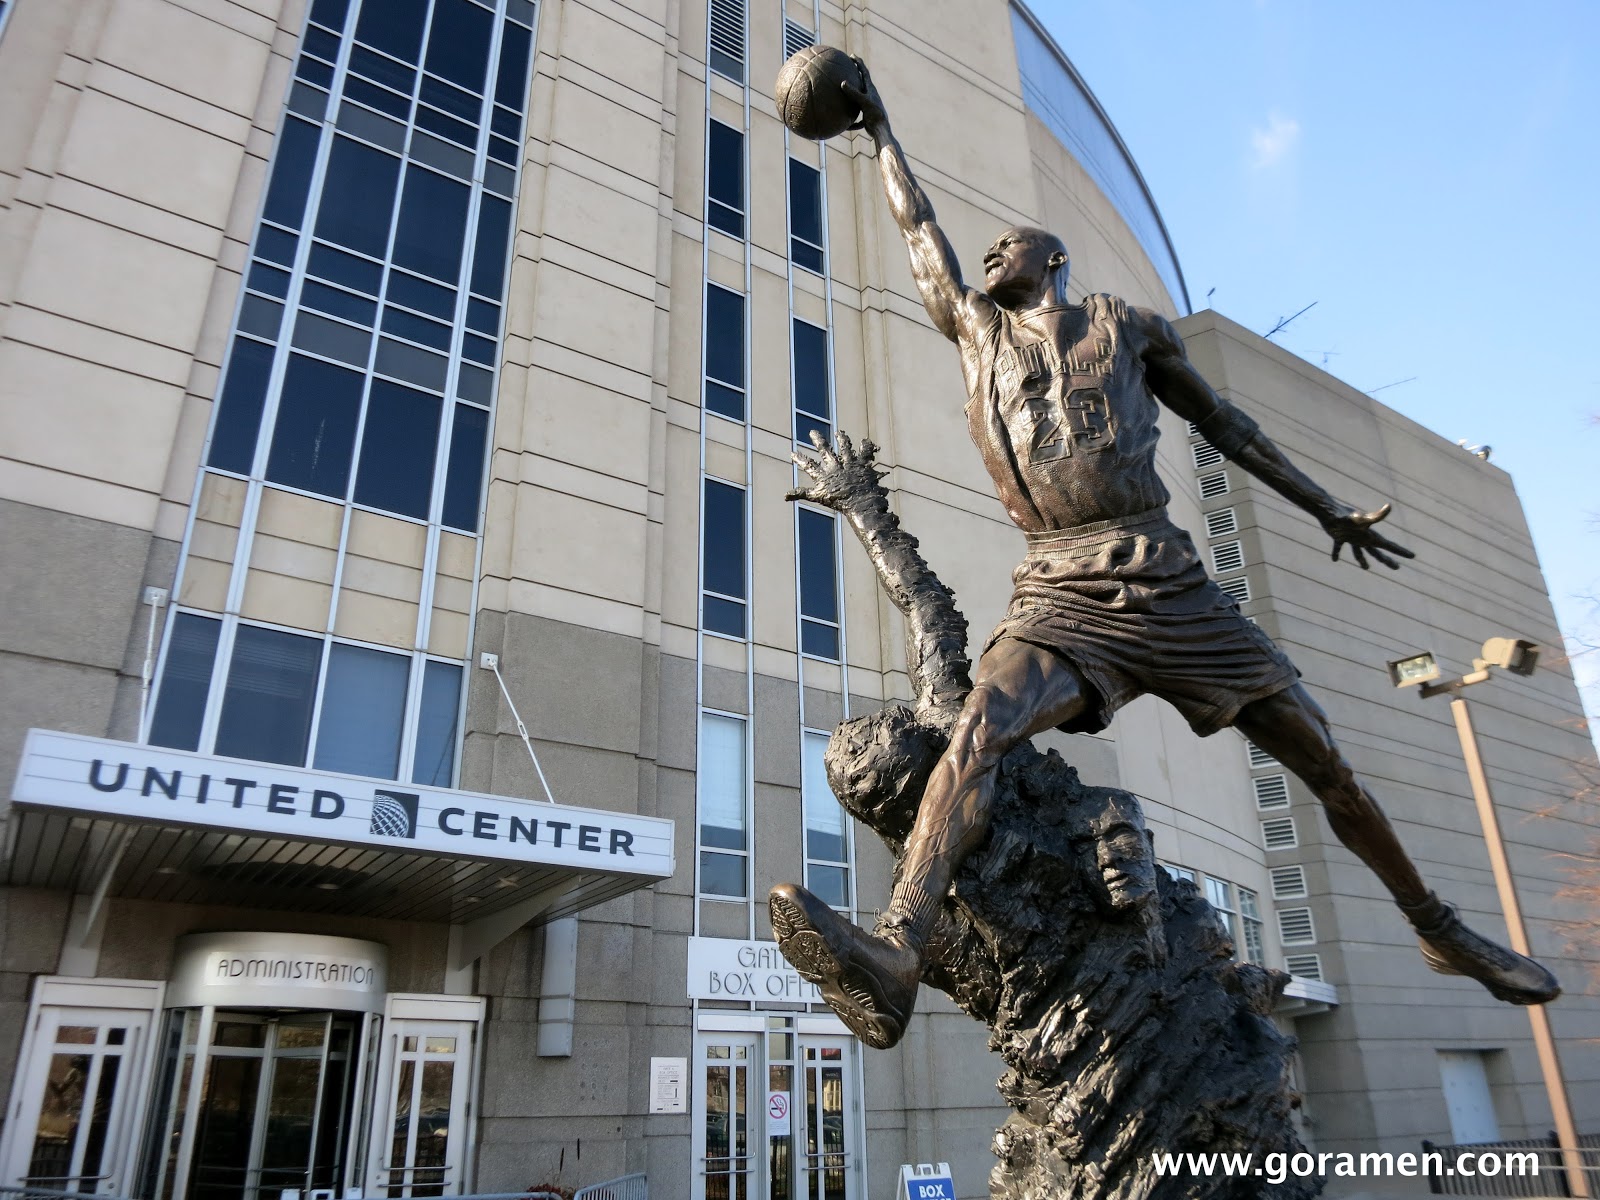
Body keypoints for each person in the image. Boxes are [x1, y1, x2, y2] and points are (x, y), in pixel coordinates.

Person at [768, 64, 1559, 1052]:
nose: (992, 250)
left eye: (1011, 241)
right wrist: (881, 132)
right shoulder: (978, 331)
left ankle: (1440, 931)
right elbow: (918, 231)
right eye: (989, 246)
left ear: (1053, 259)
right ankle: (897, 949)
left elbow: (1225, 424)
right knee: (978, 729)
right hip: (1059, 584)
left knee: (1323, 759)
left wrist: (1324, 506)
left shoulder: (1129, 329)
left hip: (1169, 580)